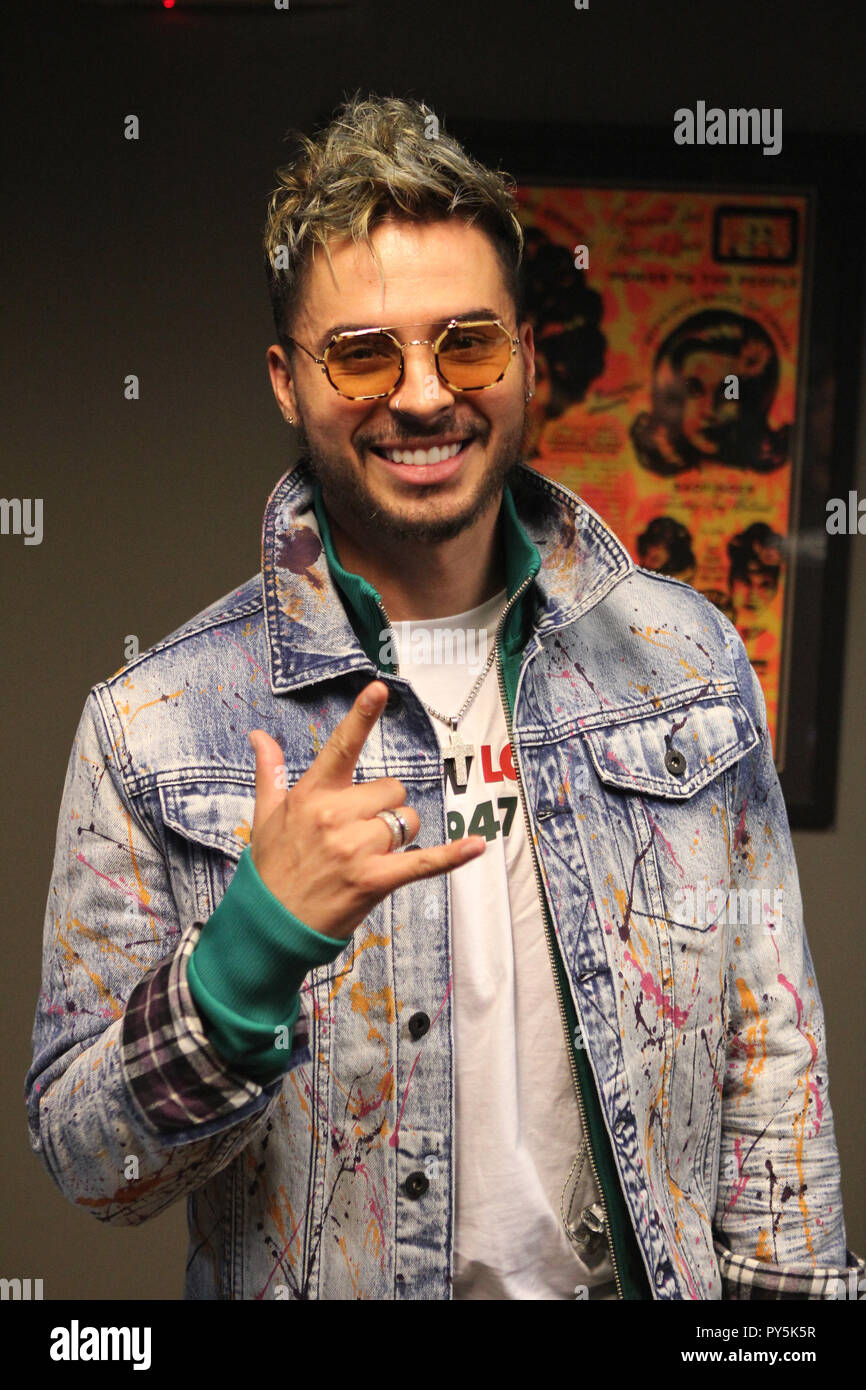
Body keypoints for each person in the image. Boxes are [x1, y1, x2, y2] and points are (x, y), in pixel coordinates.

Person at [26, 93, 863, 1302]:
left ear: (524, 353)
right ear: (285, 380)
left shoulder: (686, 658)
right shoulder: (150, 729)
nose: (421, 396)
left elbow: (769, 1063)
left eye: (465, 342)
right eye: (363, 353)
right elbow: (91, 1164)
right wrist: (244, 962)